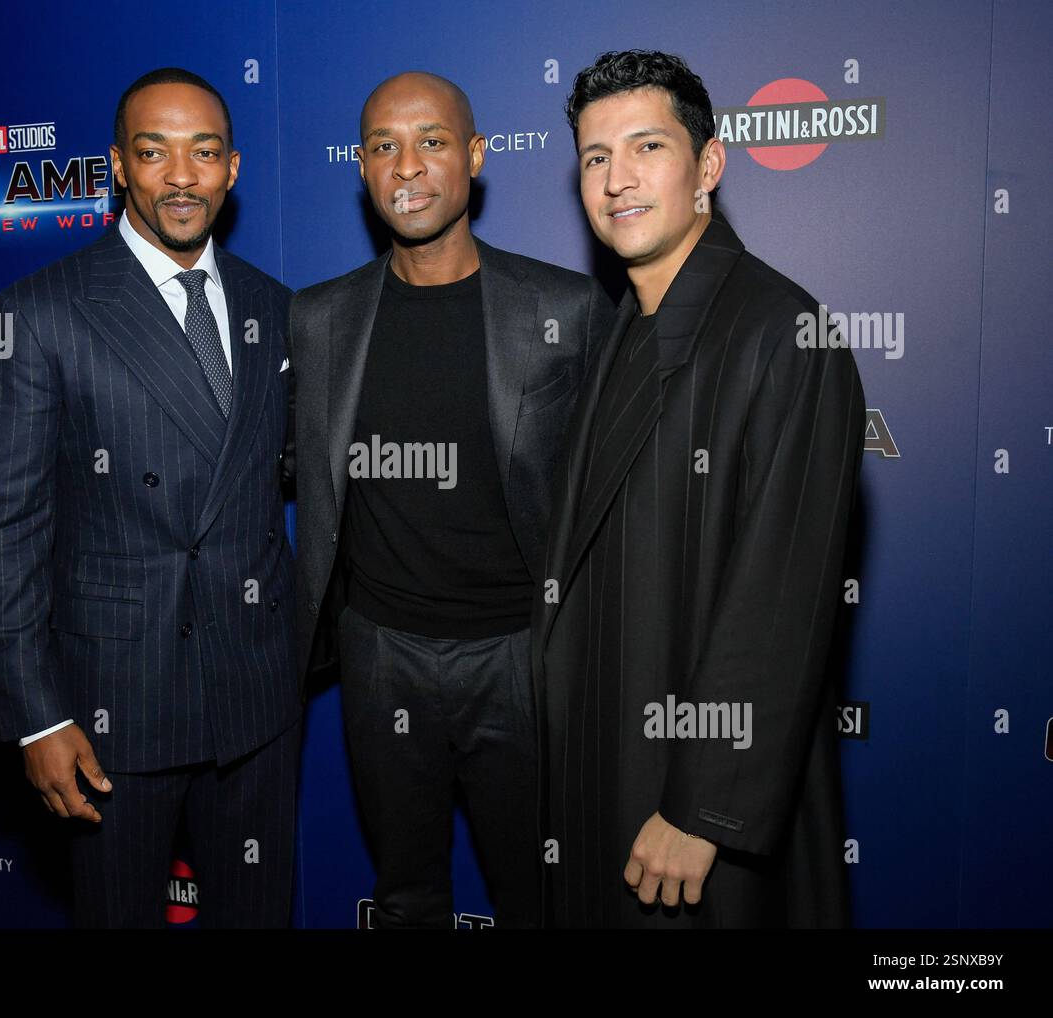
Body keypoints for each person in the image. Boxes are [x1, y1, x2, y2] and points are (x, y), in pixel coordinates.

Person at [0, 67, 299, 928]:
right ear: (118, 164)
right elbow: (1, 531)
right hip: (115, 703)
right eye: (155, 152)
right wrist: (38, 720)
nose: (181, 177)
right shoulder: (39, 314)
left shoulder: (276, 308)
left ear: (233, 169)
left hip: (256, 697)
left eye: (205, 152)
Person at [534, 49, 864, 928]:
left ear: (708, 165)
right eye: (597, 158)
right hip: (606, 768)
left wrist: (703, 808)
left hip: (691, 809)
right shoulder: (617, 328)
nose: (617, 180)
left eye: (647, 148)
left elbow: (782, 599)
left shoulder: (785, 331)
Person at [286, 71, 615, 928]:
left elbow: (613, 494)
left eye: (432, 141)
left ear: (474, 156)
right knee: (405, 896)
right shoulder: (318, 319)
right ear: (361, 168)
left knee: (539, 895)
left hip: (522, 659)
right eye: (384, 147)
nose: (408, 167)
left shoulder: (563, 307)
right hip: (381, 654)